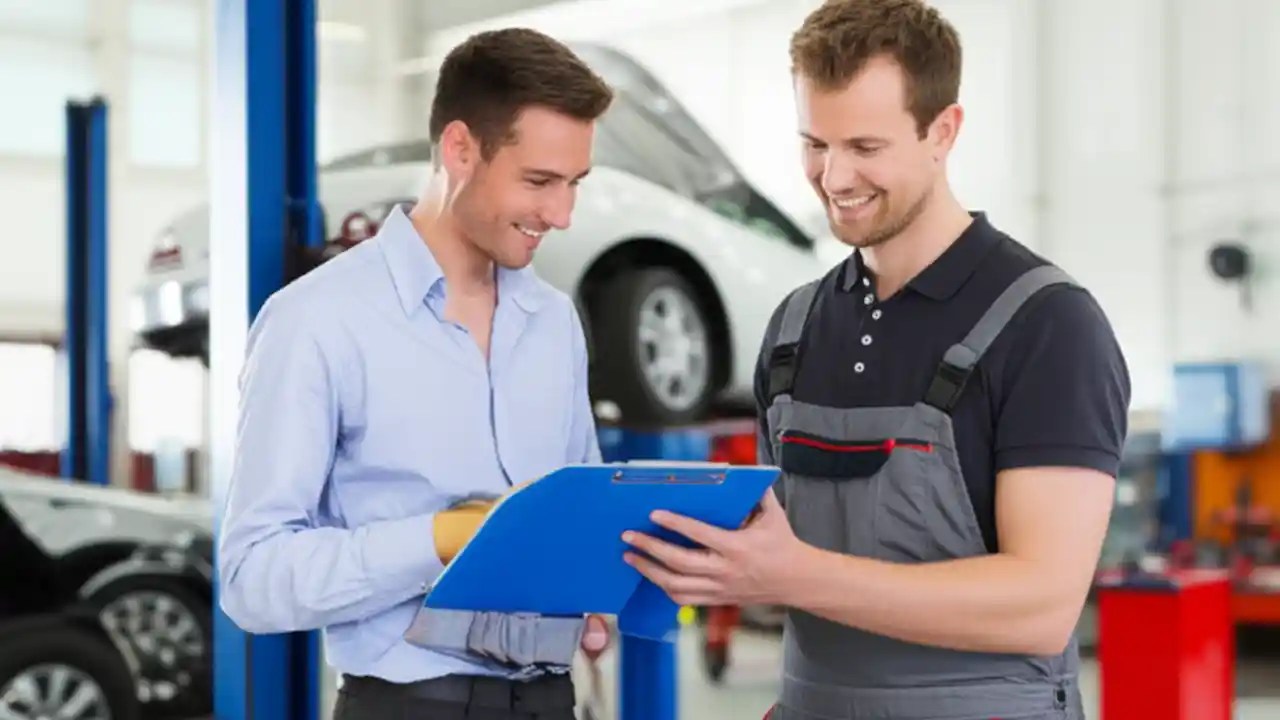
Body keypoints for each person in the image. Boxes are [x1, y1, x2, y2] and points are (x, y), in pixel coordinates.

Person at [621, 1, 1130, 718]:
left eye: (865, 147)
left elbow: (1041, 606)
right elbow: (777, 547)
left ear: (942, 132)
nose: (833, 178)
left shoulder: (1048, 326)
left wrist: (795, 577)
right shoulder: (794, 327)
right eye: (814, 144)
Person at [217, 27, 615, 720]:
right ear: (460, 149)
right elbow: (253, 580)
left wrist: (600, 587)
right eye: (540, 182)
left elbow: (580, 514)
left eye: (574, 184)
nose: (561, 214)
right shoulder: (317, 320)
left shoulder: (554, 323)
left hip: (552, 702)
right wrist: (442, 537)